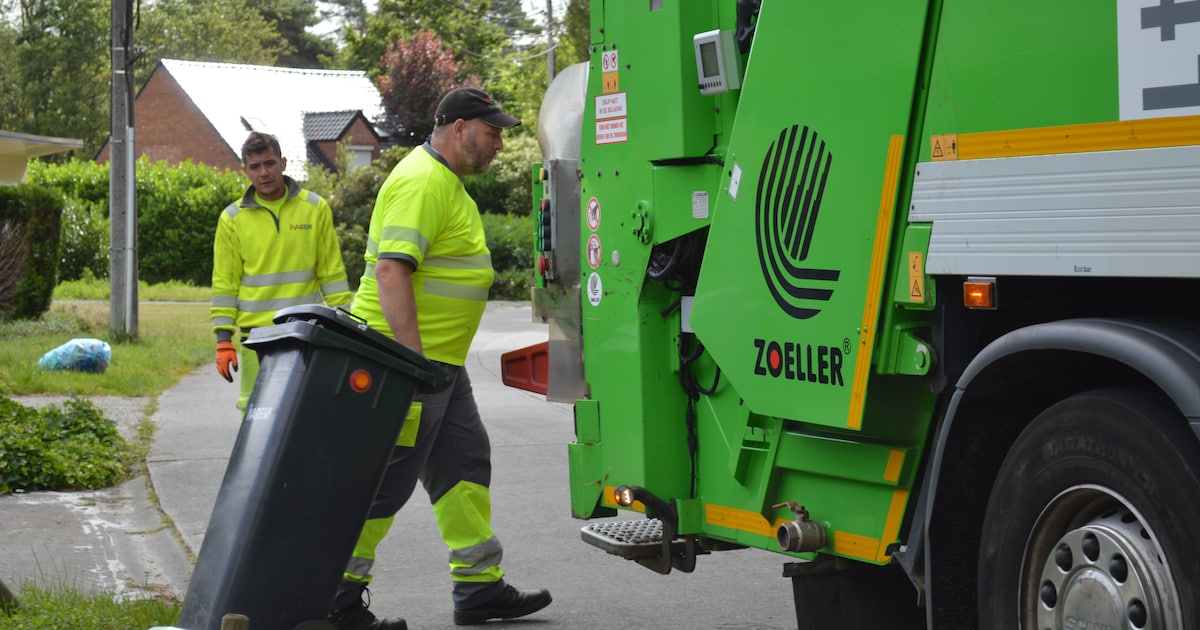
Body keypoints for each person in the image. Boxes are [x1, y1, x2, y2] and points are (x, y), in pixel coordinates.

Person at [327, 87, 552, 630]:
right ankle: (334, 599)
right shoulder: (422, 181)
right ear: (459, 128)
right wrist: (413, 363)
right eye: (492, 132)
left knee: (464, 465)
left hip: (438, 366)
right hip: (402, 364)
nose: (499, 144)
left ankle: (479, 587)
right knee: (385, 481)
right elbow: (391, 271)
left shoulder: (445, 183)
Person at [210, 131, 352, 409]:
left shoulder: (315, 209)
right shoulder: (232, 219)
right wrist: (223, 340)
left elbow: (332, 274)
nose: (263, 172)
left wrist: (347, 329)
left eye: (269, 163)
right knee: (255, 409)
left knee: (306, 409)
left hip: (305, 332)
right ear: (245, 171)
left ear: (283, 163)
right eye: (255, 166)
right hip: (256, 337)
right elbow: (225, 284)